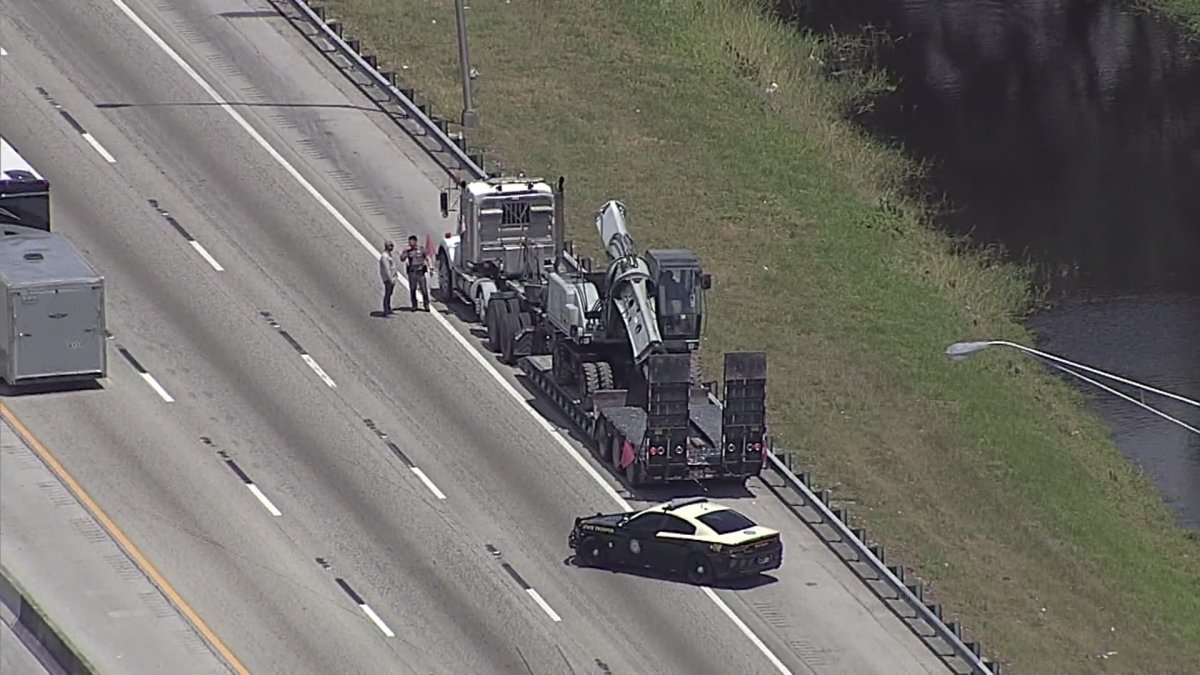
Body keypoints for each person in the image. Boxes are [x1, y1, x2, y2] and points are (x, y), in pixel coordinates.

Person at [400, 234, 430, 311]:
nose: (410, 243)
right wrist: (405, 251)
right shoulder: (408, 251)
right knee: (413, 289)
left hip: (420, 272)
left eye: (412, 242)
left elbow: (427, 257)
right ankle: (414, 305)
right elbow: (402, 259)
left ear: (415, 241)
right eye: (409, 242)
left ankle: (426, 305)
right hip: (412, 272)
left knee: (424, 289)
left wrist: (431, 266)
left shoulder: (421, 249)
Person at [378, 239, 398, 316]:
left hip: (392, 278)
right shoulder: (385, 256)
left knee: (390, 294)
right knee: (387, 294)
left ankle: (388, 308)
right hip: (388, 279)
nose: (392, 247)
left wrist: (395, 274)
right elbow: (387, 269)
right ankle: (386, 310)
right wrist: (390, 279)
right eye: (391, 246)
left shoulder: (389, 255)